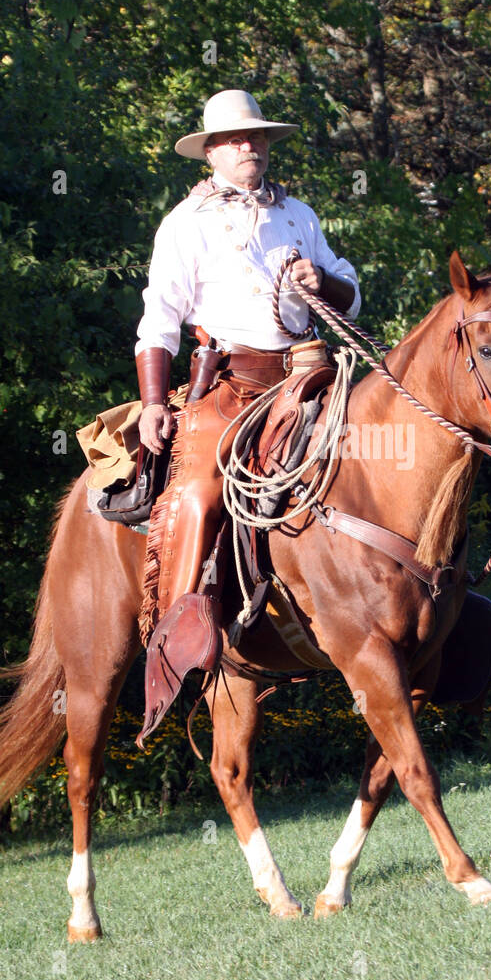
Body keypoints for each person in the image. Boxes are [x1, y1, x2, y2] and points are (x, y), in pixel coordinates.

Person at [134, 89, 361, 739]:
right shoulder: (188, 222)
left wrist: (325, 283)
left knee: (377, 458)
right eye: (235, 140)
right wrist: (154, 402)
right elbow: (160, 316)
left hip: (305, 377)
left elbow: (352, 286)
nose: (250, 148)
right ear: (211, 151)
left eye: (257, 138)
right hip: (227, 384)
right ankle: (176, 636)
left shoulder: (298, 215)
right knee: (202, 494)